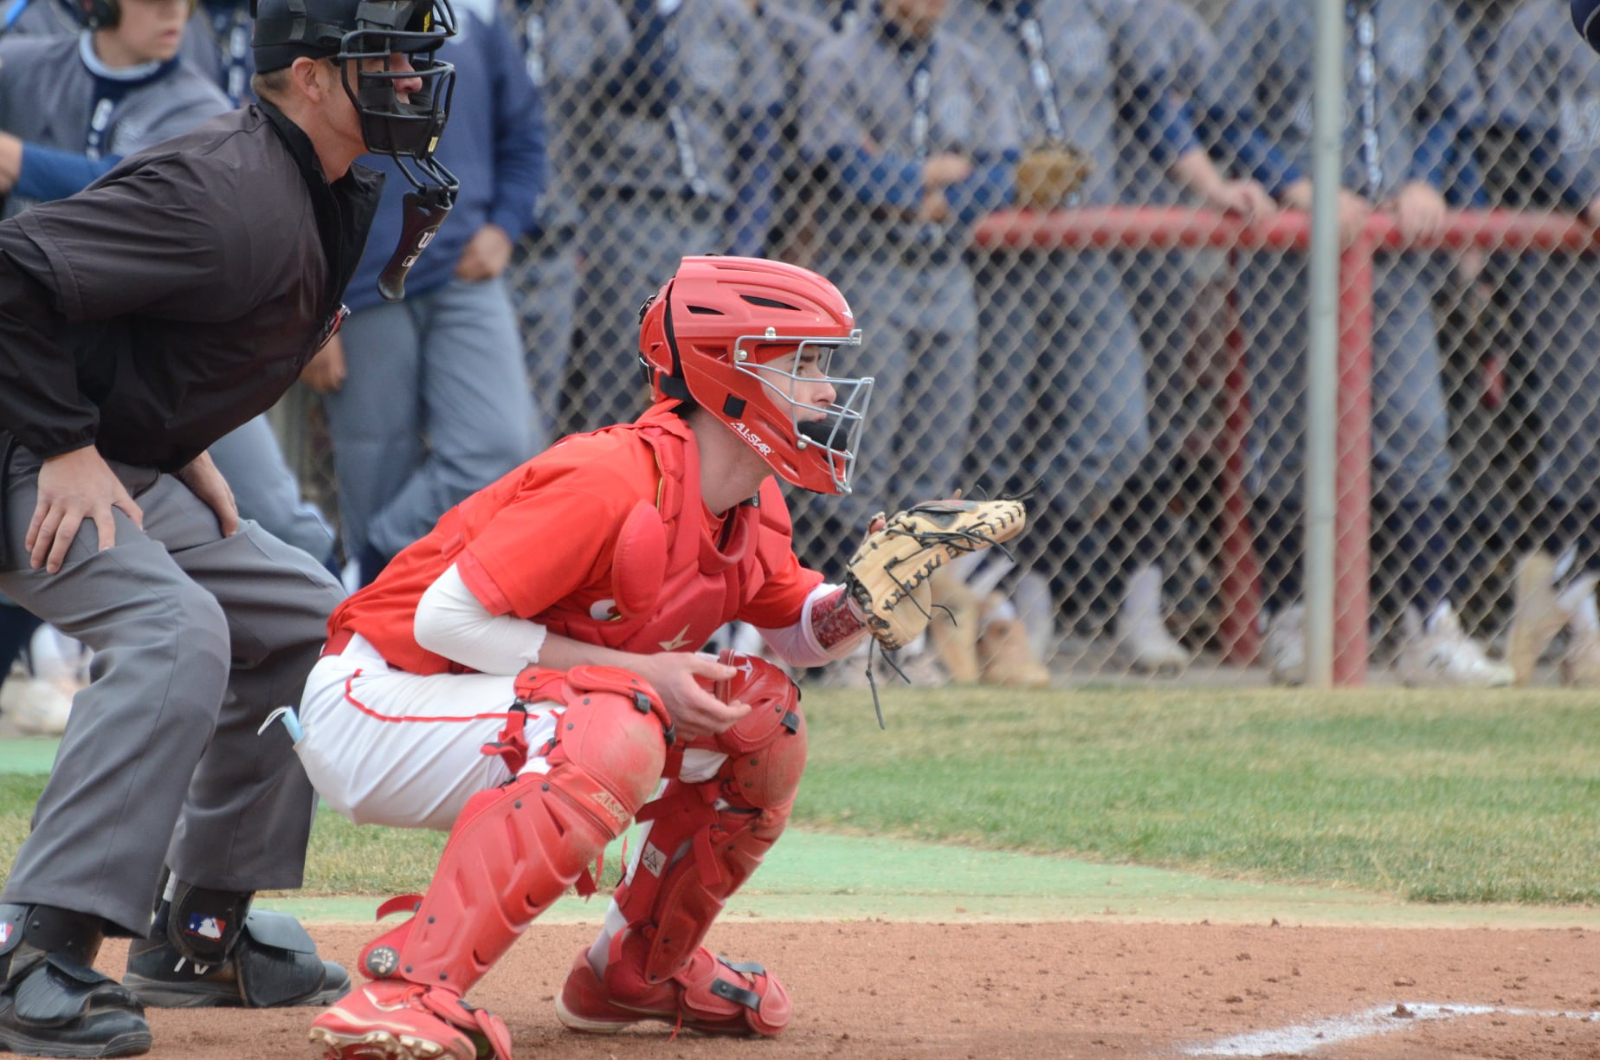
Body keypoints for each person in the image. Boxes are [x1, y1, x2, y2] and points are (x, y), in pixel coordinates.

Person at [0, 0, 458, 1052]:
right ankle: (37, 947)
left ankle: (200, 933)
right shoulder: (225, 189)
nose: (409, 78)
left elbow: (151, 326)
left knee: (314, 621)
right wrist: (69, 442)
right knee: (177, 631)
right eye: (380, 59)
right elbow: (15, 271)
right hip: (30, 448)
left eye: (413, 58)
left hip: (109, 451)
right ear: (307, 79)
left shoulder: (321, 178)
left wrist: (171, 431)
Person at [295, 257, 879, 1060]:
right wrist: (644, 677)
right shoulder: (612, 476)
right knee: (614, 719)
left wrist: (870, 605)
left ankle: (634, 971)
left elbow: (798, 636)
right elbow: (444, 622)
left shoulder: (748, 499)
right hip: (378, 697)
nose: (824, 390)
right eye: (805, 364)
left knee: (762, 721)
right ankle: (406, 991)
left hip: (490, 706)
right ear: (727, 372)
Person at [940, 0, 1273, 678]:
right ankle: (985, 616)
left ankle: (974, 580)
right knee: (996, 439)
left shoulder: (1096, 12)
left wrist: (1211, 186)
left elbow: (1155, 107)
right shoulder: (953, 25)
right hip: (998, 256)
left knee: (1118, 429)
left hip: (1087, 249)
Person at [1204, 0, 1511, 686]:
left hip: (1388, 255)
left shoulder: (1422, 10)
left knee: (1415, 426)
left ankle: (1428, 625)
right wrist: (1297, 184)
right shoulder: (1268, 8)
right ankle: (1291, 620)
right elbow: (1221, 113)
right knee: (1289, 433)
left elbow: (1449, 105)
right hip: (1291, 253)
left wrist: (1424, 179)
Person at [797, 0, 1016, 686]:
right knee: (859, 461)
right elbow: (849, 174)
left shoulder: (970, 64)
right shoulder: (839, 59)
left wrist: (930, 189)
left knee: (932, 466)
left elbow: (1005, 170)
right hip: (868, 269)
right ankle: (846, 633)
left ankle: (906, 636)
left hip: (945, 274)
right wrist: (939, 171)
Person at [301, 0, 543, 586]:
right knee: (374, 462)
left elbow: (526, 134)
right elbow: (286, 157)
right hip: (356, 285)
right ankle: (376, 630)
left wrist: (503, 226)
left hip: (462, 274)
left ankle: (377, 571)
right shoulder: (323, 12)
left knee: (501, 445)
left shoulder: (476, 15)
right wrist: (308, 311)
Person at [561, 0, 783, 437]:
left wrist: (742, 248)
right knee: (617, 380)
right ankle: (615, 495)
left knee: (699, 388)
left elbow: (760, 146)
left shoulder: (730, 21)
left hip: (707, 226)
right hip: (620, 217)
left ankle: (680, 499)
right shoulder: (599, 15)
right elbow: (567, 128)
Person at [1477, 0, 1600, 684]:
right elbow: (1511, 138)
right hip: (1566, 260)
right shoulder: (1535, 26)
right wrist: (1581, 196)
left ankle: (1551, 589)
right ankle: (1567, 604)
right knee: (1578, 431)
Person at [500, 0, 626, 438]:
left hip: (560, 237)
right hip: (485, 240)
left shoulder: (592, 15)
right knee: (485, 403)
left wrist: (587, 236)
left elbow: (614, 119)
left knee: (540, 404)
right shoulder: (480, 15)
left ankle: (527, 498)